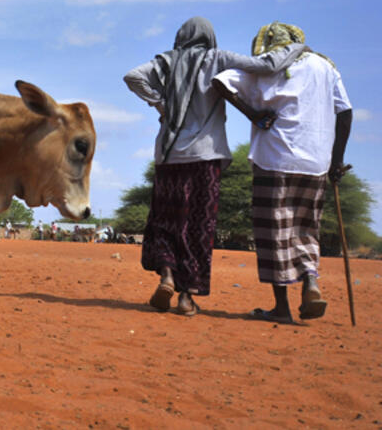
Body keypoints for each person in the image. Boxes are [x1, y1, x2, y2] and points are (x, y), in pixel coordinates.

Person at [125, 17, 304, 316]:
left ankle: (167, 277)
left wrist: (161, 105)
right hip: (206, 157)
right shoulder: (217, 58)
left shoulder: (166, 62)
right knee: (197, 225)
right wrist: (297, 46)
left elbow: (132, 77)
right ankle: (186, 296)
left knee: (167, 221)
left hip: (169, 157)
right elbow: (267, 65)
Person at [214, 22, 351, 324]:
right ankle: (311, 283)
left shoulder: (265, 65)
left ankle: (282, 308)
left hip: (274, 160)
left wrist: (253, 114)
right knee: (305, 228)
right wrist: (335, 160)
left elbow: (221, 81)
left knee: (274, 233)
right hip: (315, 163)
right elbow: (344, 111)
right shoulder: (325, 66)